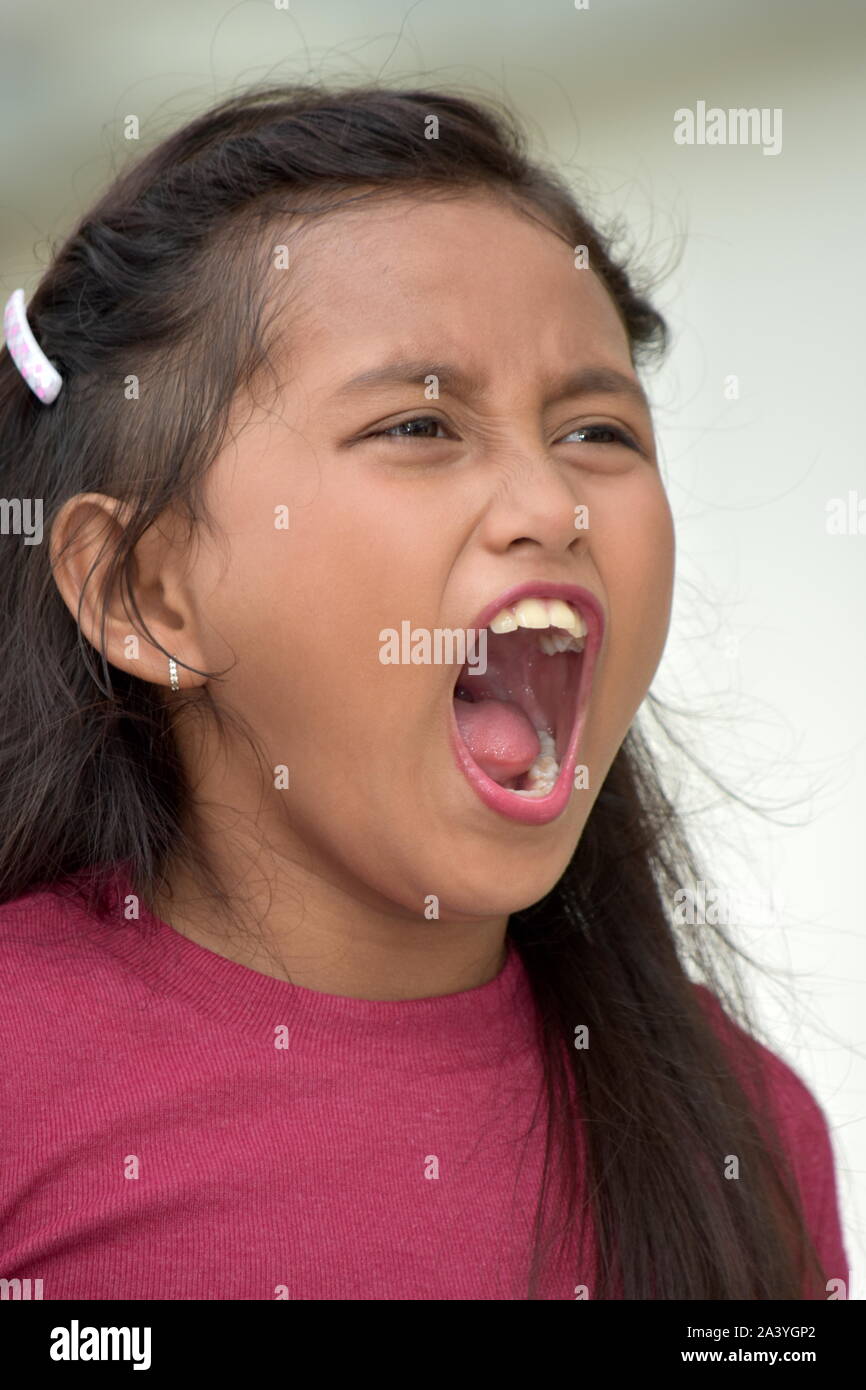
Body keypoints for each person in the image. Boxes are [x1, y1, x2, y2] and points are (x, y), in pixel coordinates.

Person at [0, 81, 849, 1300]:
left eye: (597, 433)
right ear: (145, 590)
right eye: (418, 426)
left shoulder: (749, 1127)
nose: (550, 506)